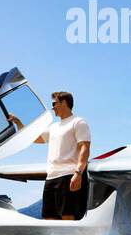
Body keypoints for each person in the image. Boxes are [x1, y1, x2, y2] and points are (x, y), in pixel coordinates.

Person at [11, 91, 91, 220]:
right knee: (49, 217)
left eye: (54, 103)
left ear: (64, 102)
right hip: (51, 177)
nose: (52, 107)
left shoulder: (78, 122)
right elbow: (37, 138)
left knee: (67, 216)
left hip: (69, 175)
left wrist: (78, 173)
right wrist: (19, 124)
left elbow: (85, 148)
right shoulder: (54, 127)